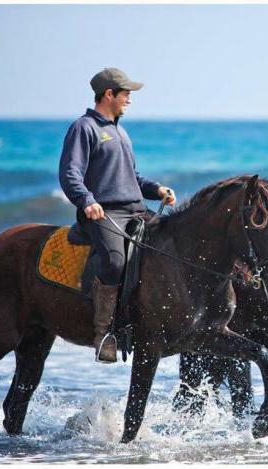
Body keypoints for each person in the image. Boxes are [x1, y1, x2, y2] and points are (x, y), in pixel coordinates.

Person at [59, 67, 176, 363]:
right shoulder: (84, 127)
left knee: (171, 246)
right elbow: (70, 173)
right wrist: (87, 200)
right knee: (114, 261)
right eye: (126, 94)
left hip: (135, 210)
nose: (130, 100)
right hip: (104, 213)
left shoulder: (120, 131)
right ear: (108, 94)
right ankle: (104, 334)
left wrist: (157, 189)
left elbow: (131, 177)